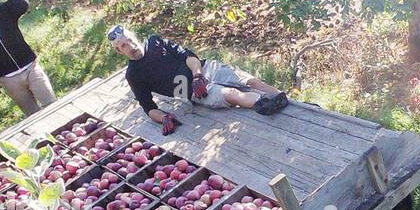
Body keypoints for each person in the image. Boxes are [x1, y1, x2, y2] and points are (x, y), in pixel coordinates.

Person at [108, 26, 289, 135]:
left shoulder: (156, 42)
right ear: (119, 51)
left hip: (203, 69)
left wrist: (197, 75)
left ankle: (282, 98)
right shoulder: (133, 75)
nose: (130, 46)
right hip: (191, 91)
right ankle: (264, 103)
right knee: (233, 95)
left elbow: (187, 55)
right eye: (123, 45)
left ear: (134, 36)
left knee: (250, 81)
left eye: (129, 40)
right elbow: (148, 107)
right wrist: (164, 118)